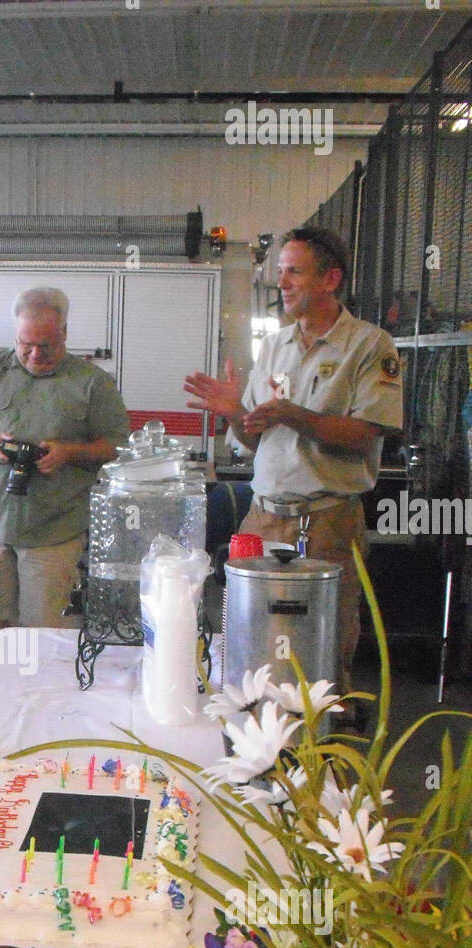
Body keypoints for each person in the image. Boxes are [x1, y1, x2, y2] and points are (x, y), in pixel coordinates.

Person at [184, 226, 403, 702]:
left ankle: (320, 761)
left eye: (294, 272)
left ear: (330, 279)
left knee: (322, 654)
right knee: (250, 645)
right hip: (262, 517)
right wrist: (234, 412)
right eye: (279, 272)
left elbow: (366, 433)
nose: (281, 282)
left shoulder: (370, 346)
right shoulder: (275, 345)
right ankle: (252, 750)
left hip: (327, 522)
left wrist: (292, 414)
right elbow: (254, 438)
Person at [0, 286, 130, 628]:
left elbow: (117, 447)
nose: (34, 355)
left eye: (46, 346)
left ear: (65, 334)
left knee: (47, 637)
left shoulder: (92, 384)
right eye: (25, 344)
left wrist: (69, 453)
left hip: (54, 530)